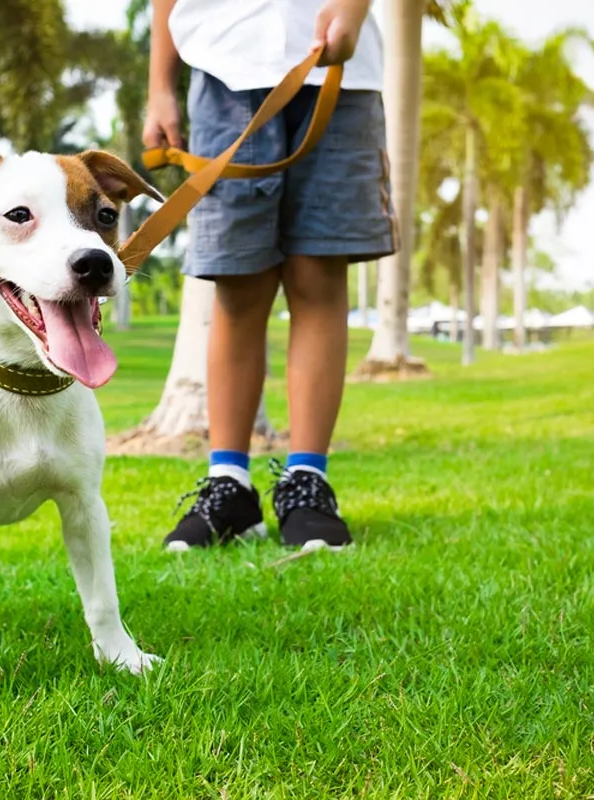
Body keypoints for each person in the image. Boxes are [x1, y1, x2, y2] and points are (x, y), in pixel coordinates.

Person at [144, 0, 395, 551]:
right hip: (222, 64)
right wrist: (160, 85)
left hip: (339, 72)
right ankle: (229, 483)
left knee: (318, 277)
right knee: (238, 285)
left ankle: (308, 482)